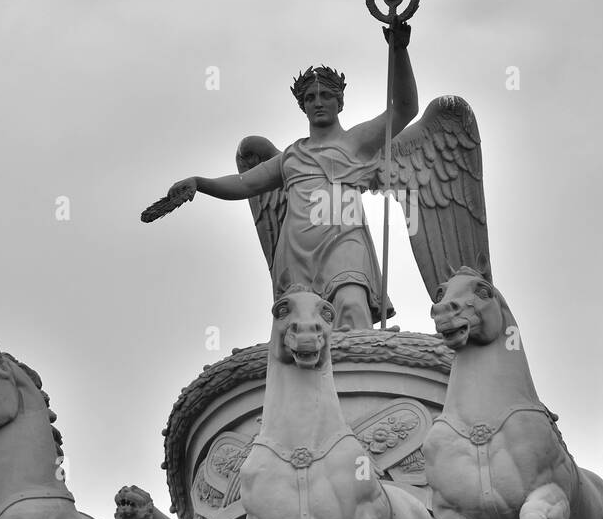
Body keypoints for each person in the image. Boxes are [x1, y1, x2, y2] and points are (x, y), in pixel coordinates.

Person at [166, 23, 417, 330]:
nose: (318, 101)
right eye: (310, 97)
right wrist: (200, 183)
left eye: (326, 95)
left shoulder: (357, 142)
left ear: (339, 101)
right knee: (303, 325)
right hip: (297, 248)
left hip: (344, 239)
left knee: (352, 305)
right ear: (303, 105)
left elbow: (404, 109)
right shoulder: (291, 156)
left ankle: (362, 374)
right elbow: (246, 183)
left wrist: (399, 50)